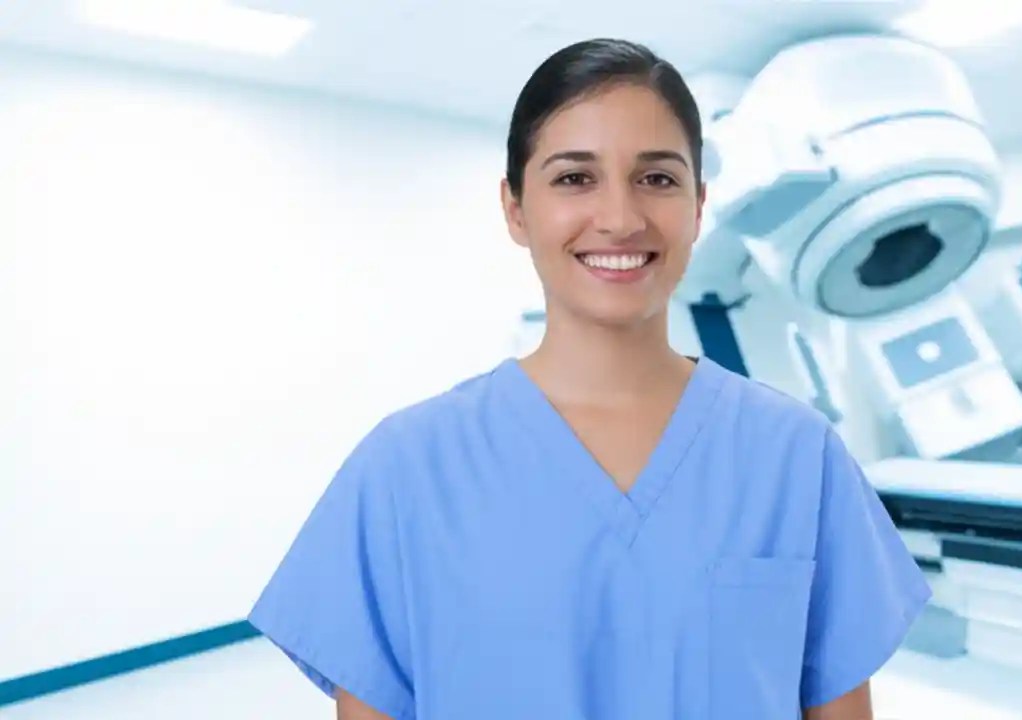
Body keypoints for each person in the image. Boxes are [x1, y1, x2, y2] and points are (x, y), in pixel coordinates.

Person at [248, 37, 931, 720]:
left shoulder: (796, 458)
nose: (620, 219)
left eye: (657, 178)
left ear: (698, 207)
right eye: (575, 177)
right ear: (515, 208)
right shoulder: (404, 471)